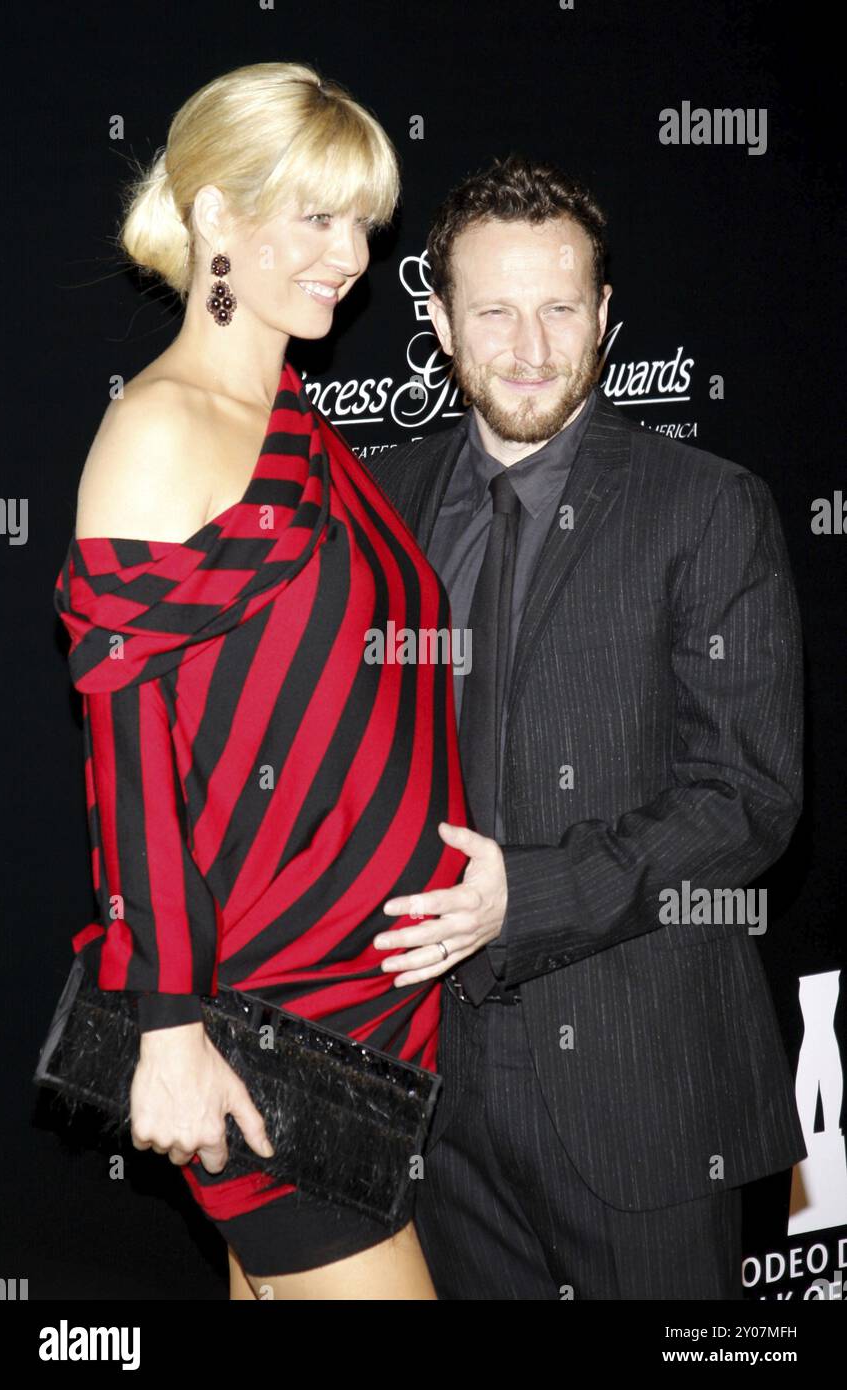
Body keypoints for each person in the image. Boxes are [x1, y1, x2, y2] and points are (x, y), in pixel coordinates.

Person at [52, 61, 475, 1301]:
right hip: (255, 1016)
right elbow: (130, 771)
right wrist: (170, 1033)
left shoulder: (290, 416)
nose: (350, 256)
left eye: (361, 222)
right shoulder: (162, 429)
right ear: (215, 216)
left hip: (369, 1010)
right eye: (316, 215)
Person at [366, 153, 807, 1300]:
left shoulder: (706, 506)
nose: (528, 346)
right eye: (494, 311)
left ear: (605, 315)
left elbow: (749, 799)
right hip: (430, 1083)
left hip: (643, 1078)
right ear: (440, 322)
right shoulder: (380, 500)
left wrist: (530, 894)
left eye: (561, 307)